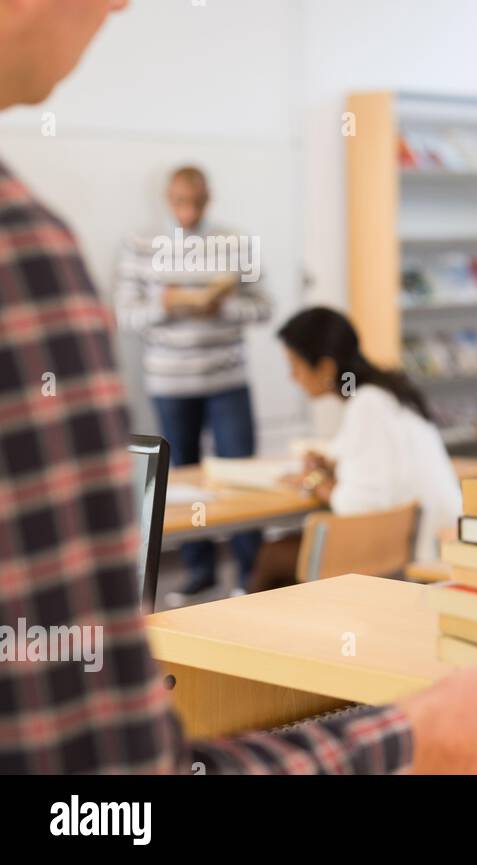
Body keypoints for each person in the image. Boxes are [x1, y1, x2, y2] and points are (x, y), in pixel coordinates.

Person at [0, 0, 477, 774]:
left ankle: (225, 579)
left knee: (246, 530)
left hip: (225, 384)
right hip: (178, 381)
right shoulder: (30, 254)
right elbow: (105, 794)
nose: (121, 4)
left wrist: (215, 302)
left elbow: (254, 304)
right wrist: (419, 741)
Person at [116, 164, 273, 601]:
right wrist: (166, 304)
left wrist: (223, 308)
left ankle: (251, 574)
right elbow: (125, 314)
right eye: (181, 202)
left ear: (209, 197)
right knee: (180, 478)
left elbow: (264, 307)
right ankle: (198, 570)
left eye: (197, 202)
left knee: (241, 473)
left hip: (227, 377)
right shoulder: (139, 244)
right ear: (168, 198)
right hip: (170, 381)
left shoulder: (235, 242)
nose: (189, 211)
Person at [248, 307, 462, 591]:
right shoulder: (386, 394)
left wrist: (316, 482)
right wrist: (331, 465)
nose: (292, 377)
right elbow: (370, 459)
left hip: (412, 558)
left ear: (325, 367)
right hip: (432, 544)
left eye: (295, 366)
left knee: (273, 556)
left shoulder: (367, 405)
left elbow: (357, 505)